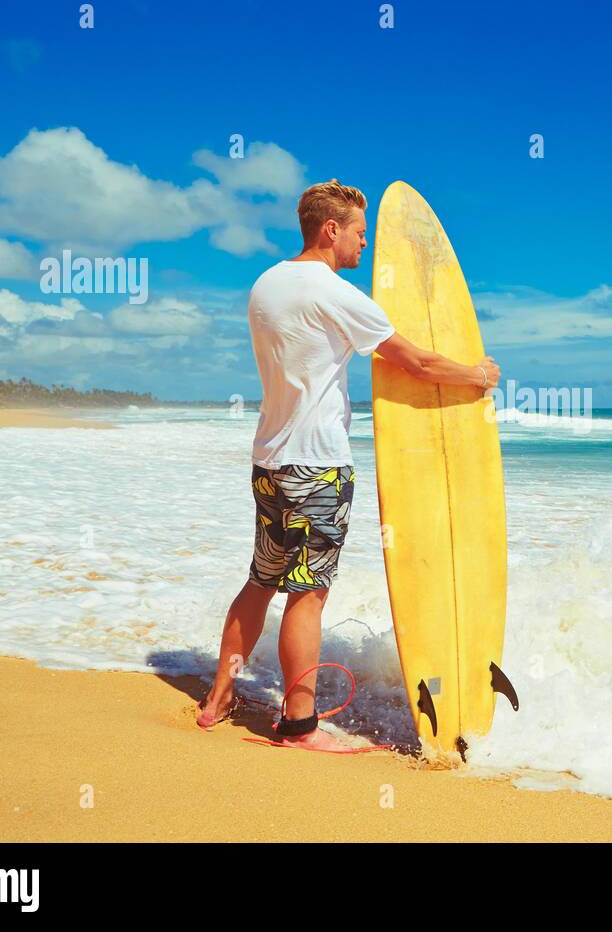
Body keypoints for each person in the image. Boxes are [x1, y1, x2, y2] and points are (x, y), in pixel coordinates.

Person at [197, 179, 500, 749]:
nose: (365, 243)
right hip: (318, 466)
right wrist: (477, 376)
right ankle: (299, 724)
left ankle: (218, 697)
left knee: (261, 581)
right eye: (360, 232)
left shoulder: (266, 285)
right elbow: (414, 362)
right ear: (330, 229)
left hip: (270, 460)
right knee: (307, 593)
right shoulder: (335, 293)